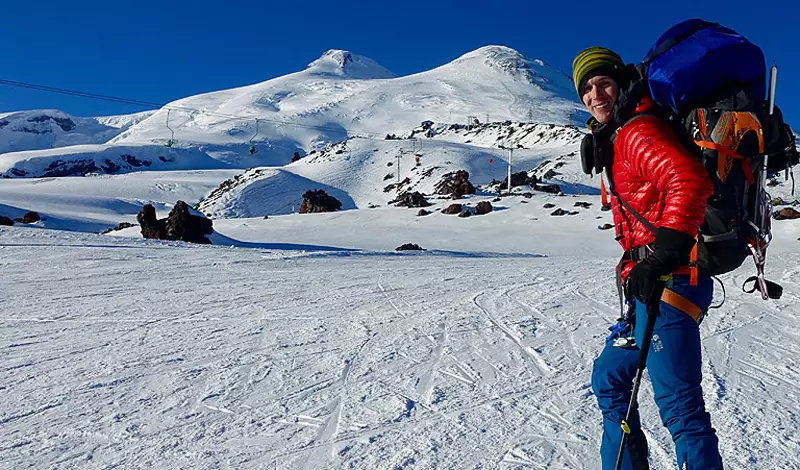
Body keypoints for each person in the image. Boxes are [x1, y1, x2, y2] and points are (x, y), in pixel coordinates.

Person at [572, 46, 724, 469]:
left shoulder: (638, 132)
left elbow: (689, 181)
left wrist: (661, 256)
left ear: (620, 83)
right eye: (585, 90)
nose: (594, 95)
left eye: (602, 83)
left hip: (672, 280)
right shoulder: (619, 135)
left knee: (680, 409)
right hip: (649, 284)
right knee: (611, 379)